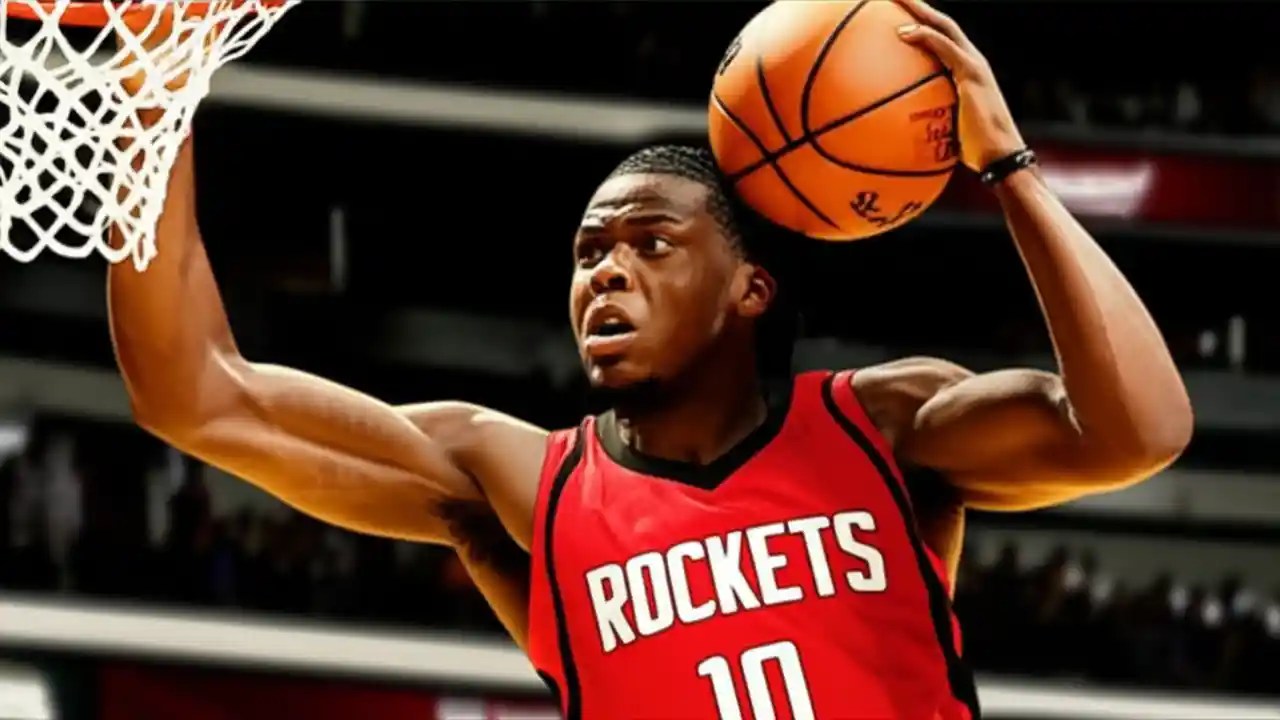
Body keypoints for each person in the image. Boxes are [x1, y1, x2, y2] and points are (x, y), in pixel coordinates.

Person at [107, 2, 1191, 718]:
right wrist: (155, 102)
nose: (604, 275)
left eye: (648, 244)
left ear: (749, 287)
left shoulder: (884, 429)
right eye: (588, 253)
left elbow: (1135, 430)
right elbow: (197, 395)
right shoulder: (519, 481)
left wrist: (1006, 169)